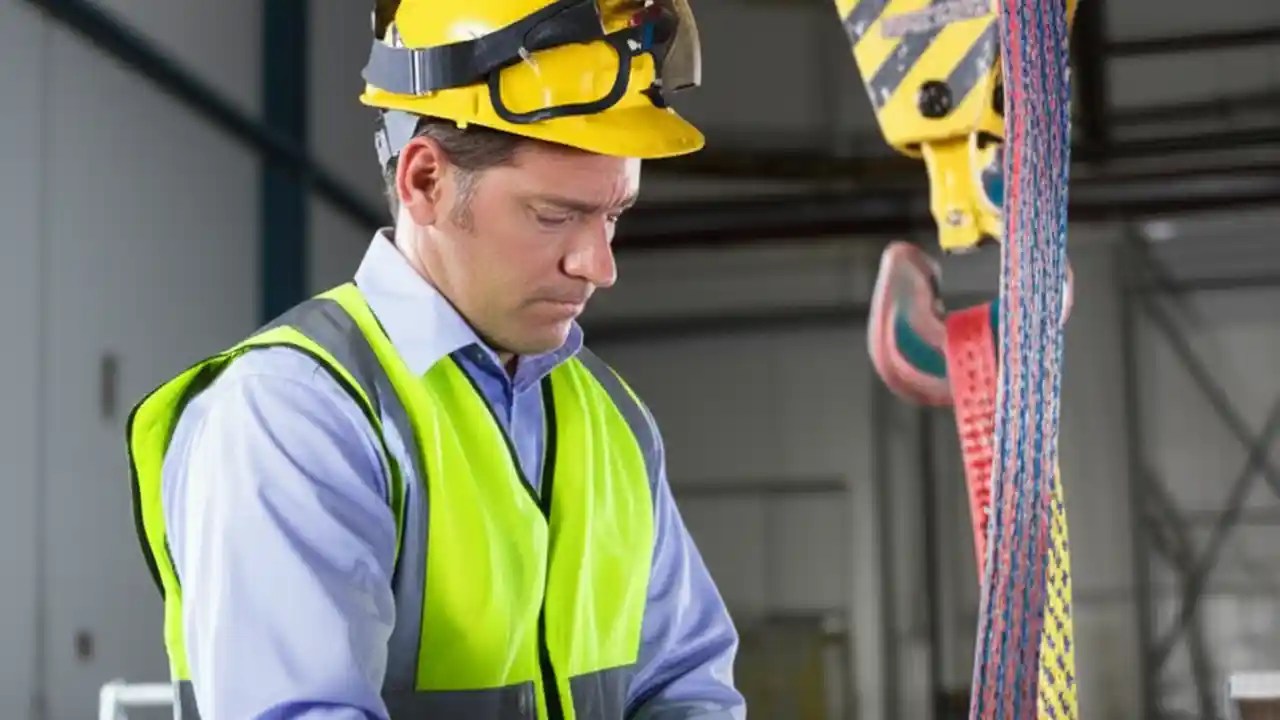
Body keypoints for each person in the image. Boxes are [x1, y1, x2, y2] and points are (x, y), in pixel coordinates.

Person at [125, 1, 746, 718]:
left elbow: (688, 687)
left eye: (612, 216)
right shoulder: (294, 414)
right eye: (555, 215)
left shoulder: (612, 420)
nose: (598, 264)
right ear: (425, 182)